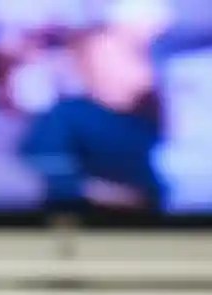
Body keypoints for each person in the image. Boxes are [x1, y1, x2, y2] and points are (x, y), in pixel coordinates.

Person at [18, 27, 164, 212]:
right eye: (107, 60)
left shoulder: (157, 111)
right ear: (86, 70)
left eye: (127, 56)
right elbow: (45, 160)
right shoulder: (68, 114)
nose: (121, 67)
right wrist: (100, 192)